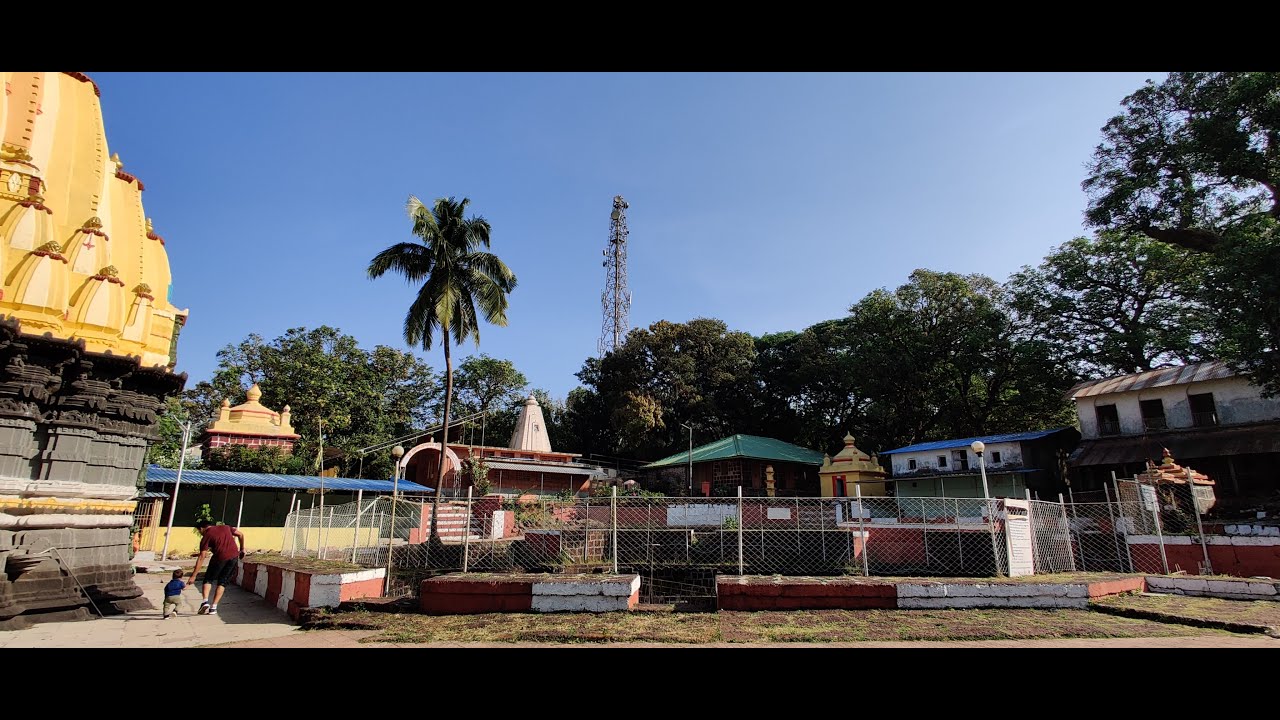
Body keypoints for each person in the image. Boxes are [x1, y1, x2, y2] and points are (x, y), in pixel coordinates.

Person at [187, 520, 245, 616]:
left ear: (201, 528)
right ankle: (213, 607)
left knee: (208, 579)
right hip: (234, 556)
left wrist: (193, 575)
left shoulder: (206, 536)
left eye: (199, 531)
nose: (200, 533)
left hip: (219, 558)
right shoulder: (226, 527)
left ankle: (205, 601)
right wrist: (242, 549)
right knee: (222, 582)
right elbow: (241, 535)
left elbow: (202, 557)